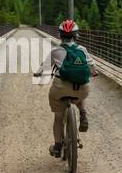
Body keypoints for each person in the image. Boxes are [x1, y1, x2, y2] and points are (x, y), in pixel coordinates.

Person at [32, 19, 98, 158]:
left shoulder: (56, 51)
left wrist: (38, 73)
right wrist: (93, 72)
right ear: (76, 35)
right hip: (82, 89)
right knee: (80, 92)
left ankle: (57, 146)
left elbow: (43, 68)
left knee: (58, 116)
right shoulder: (82, 50)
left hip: (60, 87)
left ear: (60, 35)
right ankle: (83, 111)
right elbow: (93, 68)